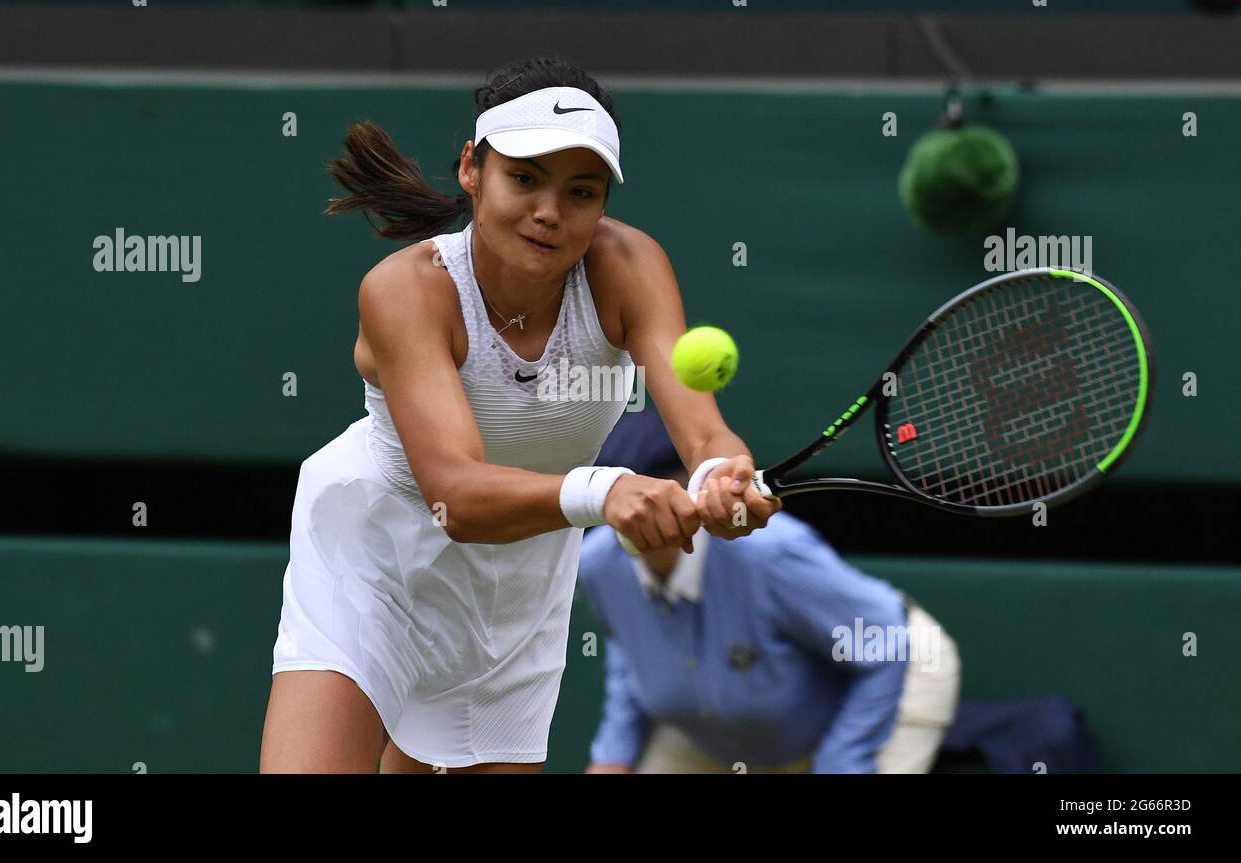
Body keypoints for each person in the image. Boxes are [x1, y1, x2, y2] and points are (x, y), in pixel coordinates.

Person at [258, 55, 782, 774]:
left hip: (517, 589)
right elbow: (456, 495)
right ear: (472, 168)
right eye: (525, 178)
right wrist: (608, 489)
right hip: (372, 562)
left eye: (581, 191)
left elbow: (703, 432)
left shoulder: (628, 265)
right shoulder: (408, 289)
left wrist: (722, 474)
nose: (549, 211)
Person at [578, 407, 960, 774]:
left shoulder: (770, 556)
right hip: (725, 733)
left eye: (651, 496)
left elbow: (886, 645)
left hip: (898, 662)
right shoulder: (598, 566)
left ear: (687, 490)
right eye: (620, 499)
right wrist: (614, 754)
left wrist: (842, 763)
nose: (633, 514)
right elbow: (632, 650)